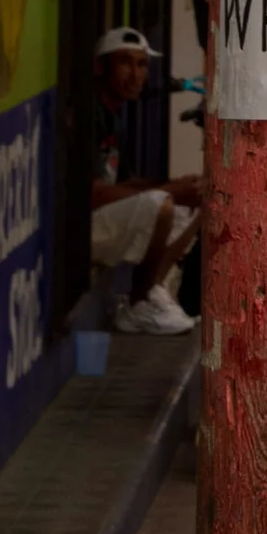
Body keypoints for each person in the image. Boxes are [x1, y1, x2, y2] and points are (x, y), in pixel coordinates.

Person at [88, 26, 199, 334]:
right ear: (100, 67)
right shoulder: (88, 113)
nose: (136, 75)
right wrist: (168, 190)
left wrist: (179, 186)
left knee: (194, 199)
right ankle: (138, 304)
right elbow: (93, 194)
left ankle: (152, 290)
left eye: (141, 65)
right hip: (81, 230)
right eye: (125, 63)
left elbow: (125, 183)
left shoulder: (115, 116)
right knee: (162, 204)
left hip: (107, 218)